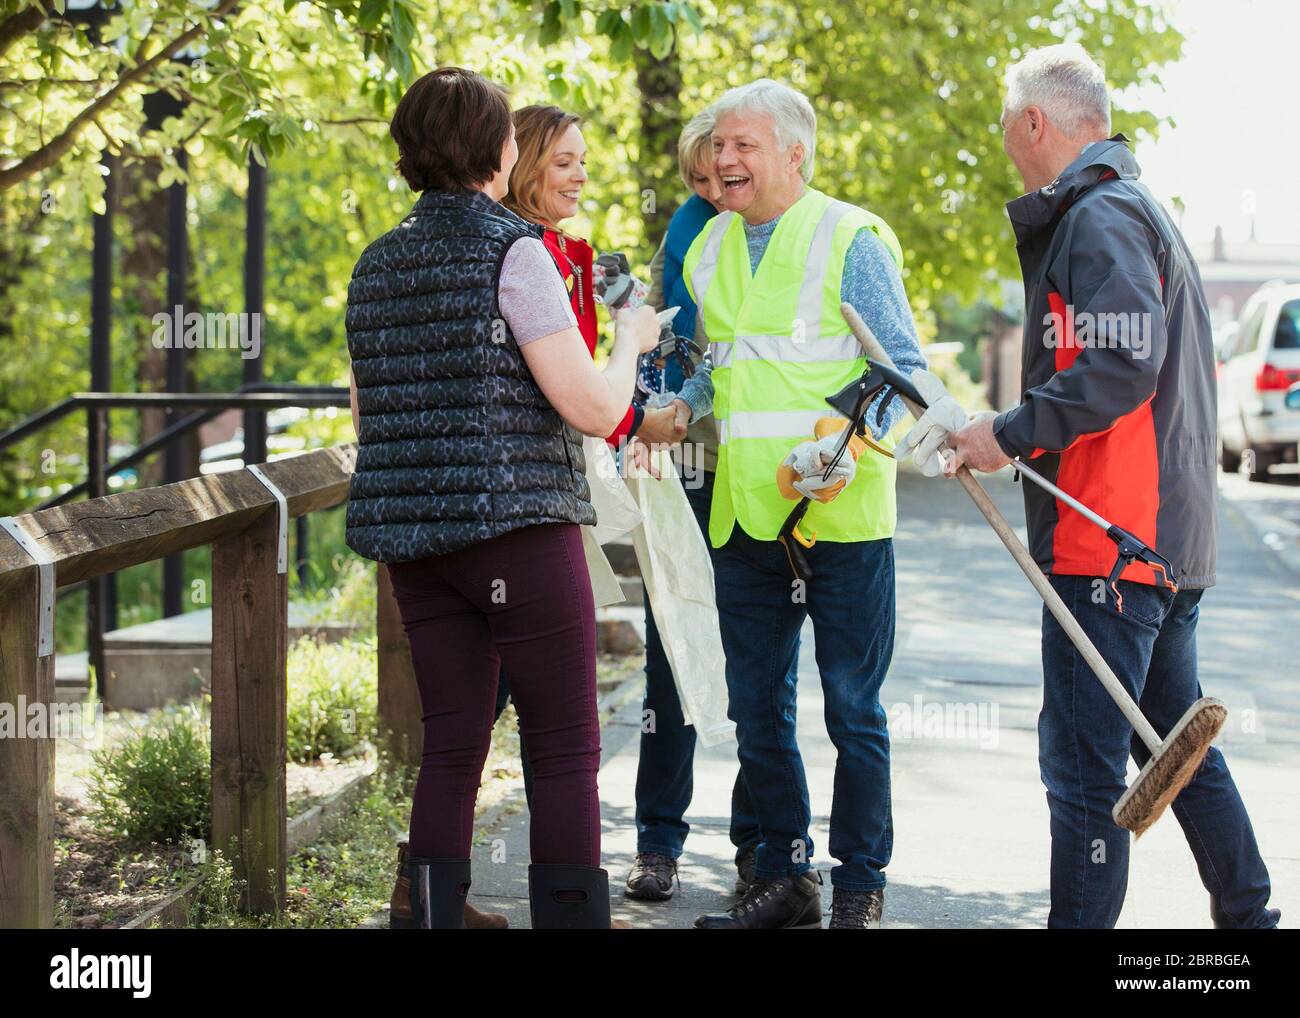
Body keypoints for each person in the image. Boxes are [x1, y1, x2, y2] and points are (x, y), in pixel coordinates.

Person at [904, 43, 1278, 929]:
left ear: (1034, 121)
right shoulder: (1133, 209)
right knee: (1175, 748)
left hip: (1112, 547)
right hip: (1158, 544)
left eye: (1005, 125)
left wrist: (1008, 432)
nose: (1004, 143)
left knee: (1083, 776)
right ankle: (1250, 918)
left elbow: (1119, 366)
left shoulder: (1098, 216)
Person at [345, 66, 659, 929]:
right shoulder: (514, 252)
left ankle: (435, 915)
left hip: (414, 540)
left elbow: (368, 415)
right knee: (563, 743)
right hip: (515, 527)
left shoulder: (375, 264)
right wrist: (629, 339)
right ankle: (569, 919)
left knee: (452, 737)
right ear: (499, 147)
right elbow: (595, 409)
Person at [682, 79, 927, 929]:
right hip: (746, 516)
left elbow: (903, 370)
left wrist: (846, 446)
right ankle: (785, 876)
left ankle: (861, 881)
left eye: (744, 145)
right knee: (758, 709)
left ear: (794, 153)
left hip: (842, 518)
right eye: (719, 146)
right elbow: (720, 366)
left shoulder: (850, 236)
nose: (724, 159)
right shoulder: (707, 249)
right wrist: (683, 399)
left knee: (854, 709)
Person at [622, 108, 776, 902]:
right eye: (700, 178)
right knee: (670, 660)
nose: (716, 188)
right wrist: (656, 410)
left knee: (757, 665)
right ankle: (657, 842)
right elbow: (650, 341)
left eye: (727, 171)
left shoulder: (785, 234)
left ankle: (759, 845)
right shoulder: (683, 237)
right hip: (686, 469)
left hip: (759, 477)